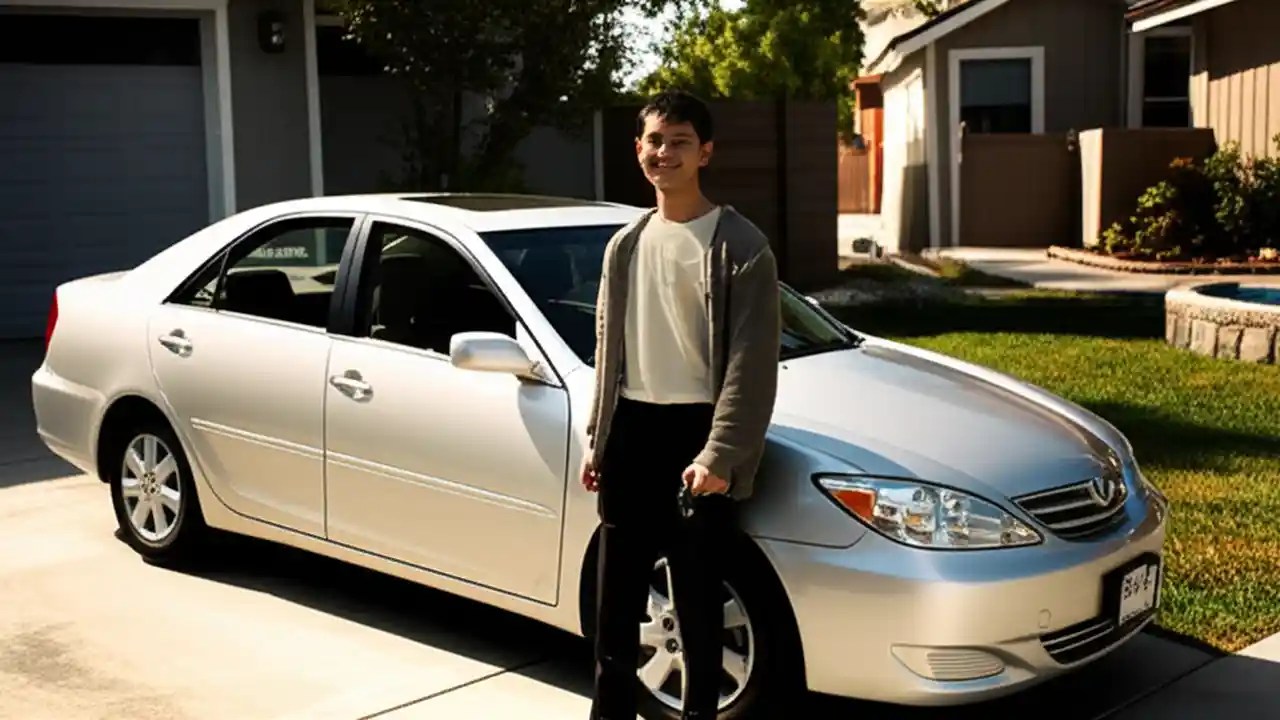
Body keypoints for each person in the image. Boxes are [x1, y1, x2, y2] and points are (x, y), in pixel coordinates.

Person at [581, 90, 782, 720]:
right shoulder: (625, 245)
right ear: (637, 149)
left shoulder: (741, 247)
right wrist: (598, 438)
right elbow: (607, 352)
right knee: (616, 611)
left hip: (697, 439)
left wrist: (720, 454)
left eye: (679, 141)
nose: (663, 152)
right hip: (631, 434)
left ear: (705, 153)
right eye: (653, 140)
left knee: (697, 606)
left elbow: (752, 366)